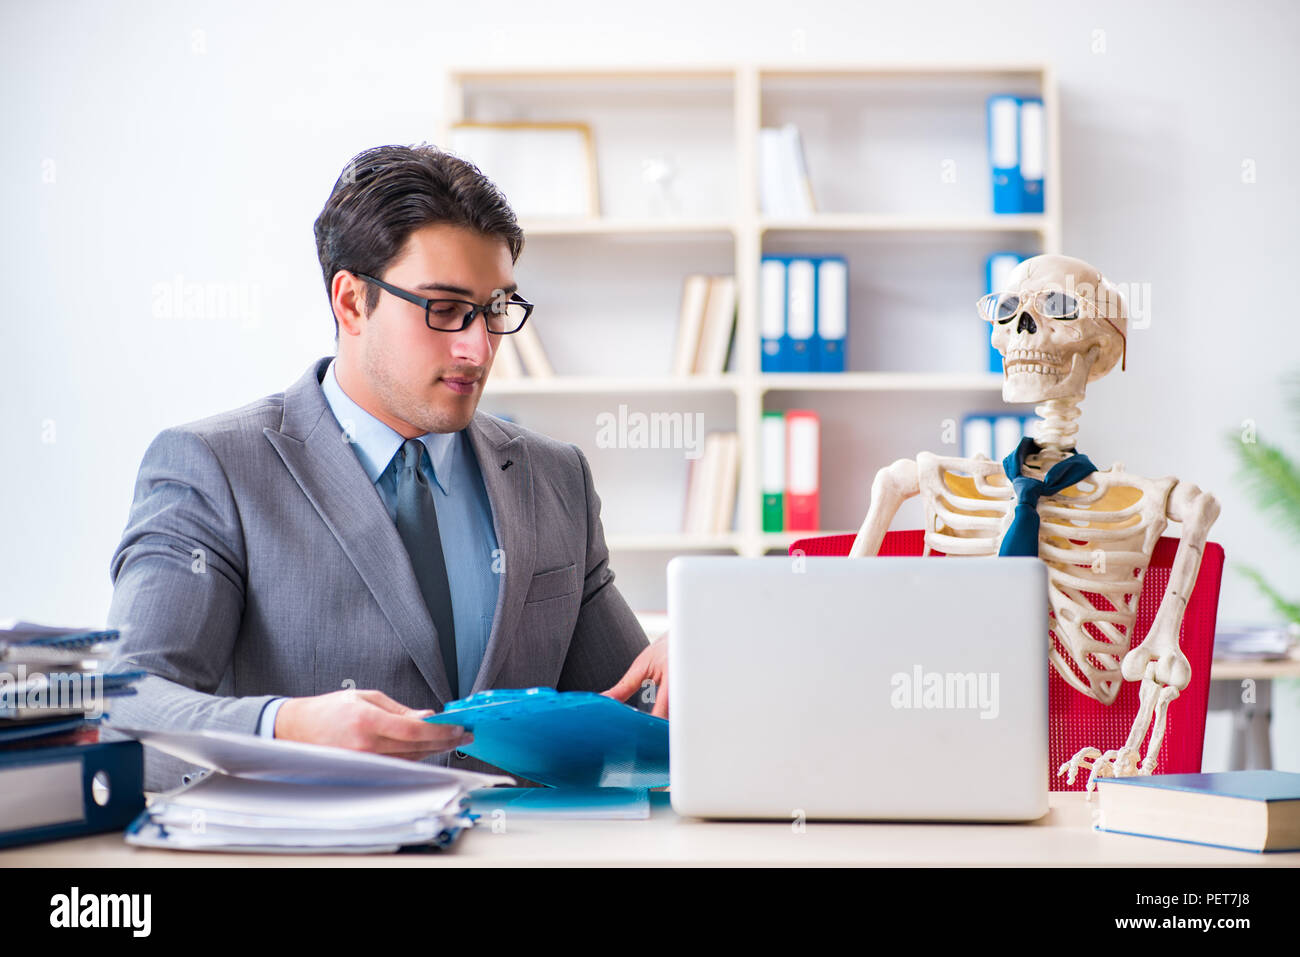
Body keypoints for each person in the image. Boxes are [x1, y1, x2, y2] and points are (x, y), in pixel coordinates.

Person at [103, 144, 667, 790]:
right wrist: (286, 728)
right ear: (351, 302)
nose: (479, 348)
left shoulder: (555, 477)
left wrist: (695, 667)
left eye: (494, 309)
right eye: (444, 309)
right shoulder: (214, 469)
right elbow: (124, 709)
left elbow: (636, 717)